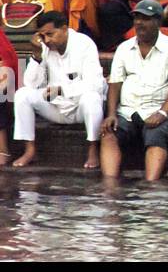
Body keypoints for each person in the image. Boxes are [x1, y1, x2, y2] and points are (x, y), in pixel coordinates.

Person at [100, 0, 168, 182]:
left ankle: (151, 187)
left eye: (145, 19)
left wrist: (163, 113)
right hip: (127, 109)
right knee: (109, 133)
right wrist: (111, 114)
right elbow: (115, 83)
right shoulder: (124, 48)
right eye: (137, 18)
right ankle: (109, 187)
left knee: (156, 136)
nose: (139, 23)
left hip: (160, 108)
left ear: (158, 21)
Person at [9, 12, 105, 170]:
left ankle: (93, 149)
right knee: (22, 95)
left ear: (65, 29)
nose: (46, 40)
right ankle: (29, 149)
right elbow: (29, 83)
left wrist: (61, 90)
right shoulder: (44, 48)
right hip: (55, 107)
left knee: (92, 98)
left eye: (50, 34)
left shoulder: (84, 44)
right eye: (42, 36)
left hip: (80, 107)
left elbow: (95, 84)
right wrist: (37, 56)